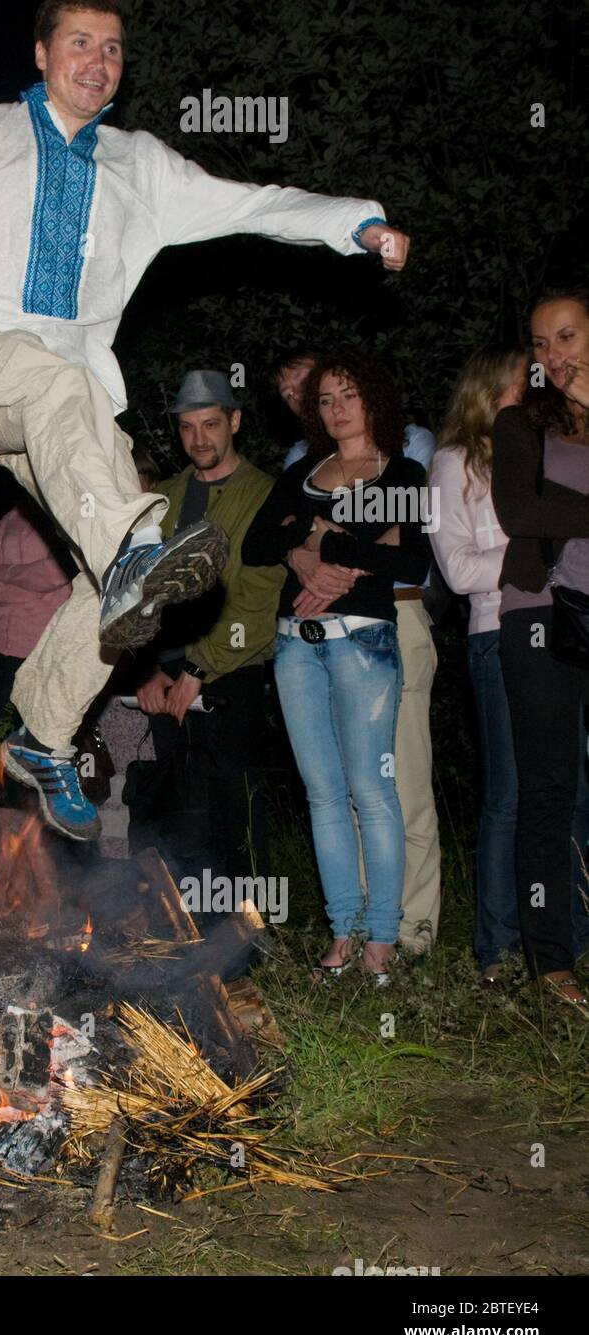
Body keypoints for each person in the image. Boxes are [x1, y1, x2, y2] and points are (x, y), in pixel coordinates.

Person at [0, 0, 411, 839]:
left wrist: (351, 224)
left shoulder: (140, 165)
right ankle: (133, 556)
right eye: (79, 42)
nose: (98, 60)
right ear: (43, 51)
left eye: (113, 48)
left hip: (67, 405)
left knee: (119, 588)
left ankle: (41, 736)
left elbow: (253, 205)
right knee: (95, 454)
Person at [243, 352, 431, 984]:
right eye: (325, 399)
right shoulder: (303, 472)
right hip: (297, 643)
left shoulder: (402, 471)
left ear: (372, 397)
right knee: (323, 793)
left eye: (348, 394)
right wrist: (303, 556)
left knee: (372, 791)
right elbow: (256, 543)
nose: (337, 407)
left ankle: (382, 938)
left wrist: (333, 547)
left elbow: (412, 564)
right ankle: (342, 930)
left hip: (363, 642)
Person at [131, 371, 286, 876]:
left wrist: (200, 666)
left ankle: (253, 937)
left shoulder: (265, 493)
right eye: (188, 427)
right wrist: (150, 669)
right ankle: (193, 937)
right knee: (177, 813)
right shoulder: (165, 497)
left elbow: (257, 595)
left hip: (230, 672)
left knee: (235, 807)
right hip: (167, 675)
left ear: (235, 421)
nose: (199, 439)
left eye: (211, 424)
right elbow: (142, 589)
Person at [491, 287, 589, 1015]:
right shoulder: (520, 421)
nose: (556, 357)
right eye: (543, 344)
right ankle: (551, 967)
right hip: (541, 616)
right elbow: (519, 511)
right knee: (547, 792)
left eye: (568, 338)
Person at [429, 346, 530, 986]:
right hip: (498, 635)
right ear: (491, 390)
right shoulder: (450, 464)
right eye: (527, 382)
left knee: (565, 793)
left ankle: (561, 942)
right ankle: (497, 950)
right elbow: (460, 571)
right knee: (510, 796)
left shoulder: (542, 453)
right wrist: (537, 554)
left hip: (563, 634)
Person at [0, 499, 72, 754]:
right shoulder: (10, 518)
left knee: (33, 745)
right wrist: (34, 591)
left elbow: (57, 573)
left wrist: (6, 572)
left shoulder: (63, 511)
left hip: (41, 652)